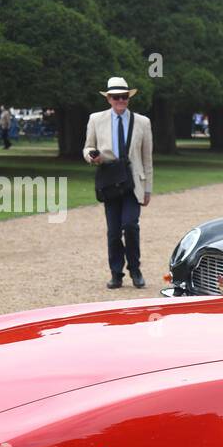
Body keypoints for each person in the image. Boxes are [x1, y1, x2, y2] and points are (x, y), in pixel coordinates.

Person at [83, 76, 154, 289]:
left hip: (133, 182)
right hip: (110, 180)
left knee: (130, 225)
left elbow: (147, 158)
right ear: (109, 99)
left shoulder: (143, 122)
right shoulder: (96, 119)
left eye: (124, 97)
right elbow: (87, 147)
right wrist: (91, 156)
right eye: (116, 97)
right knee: (113, 231)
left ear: (128, 98)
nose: (120, 100)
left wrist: (148, 188)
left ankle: (135, 268)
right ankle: (116, 273)